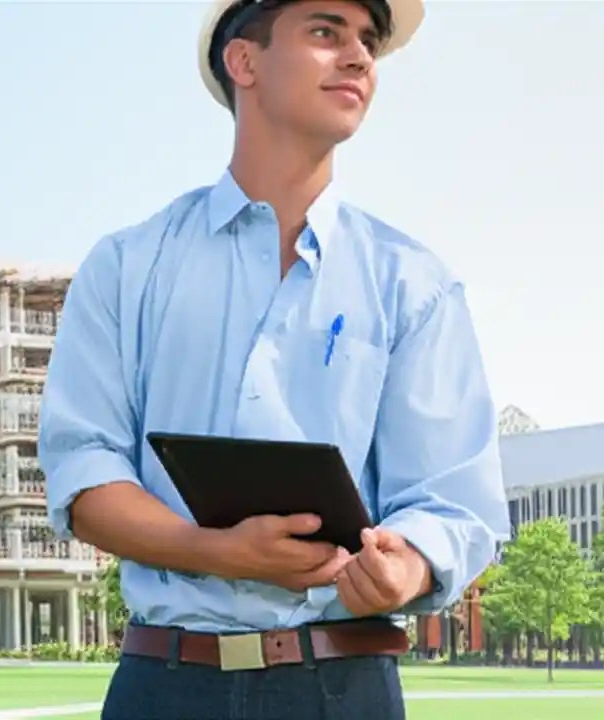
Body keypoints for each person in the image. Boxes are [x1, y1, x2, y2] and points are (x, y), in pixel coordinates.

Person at [38, 1, 510, 718]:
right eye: (326, 32)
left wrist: (405, 566)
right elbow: (85, 474)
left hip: (342, 688)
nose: (358, 57)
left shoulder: (414, 284)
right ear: (244, 61)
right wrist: (217, 551)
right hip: (163, 688)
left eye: (367, 42)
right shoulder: (127, 267)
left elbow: (450, 500)